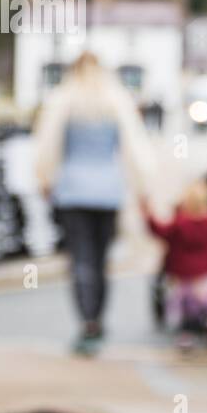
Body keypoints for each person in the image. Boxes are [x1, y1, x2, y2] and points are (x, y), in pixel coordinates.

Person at [33, 52, 152, 355]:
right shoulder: (117, 100)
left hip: (73, 189)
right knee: (101, 260)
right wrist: (142, 186)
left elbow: (47, 145)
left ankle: (87, 321)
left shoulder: (63, 99)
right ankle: (97, 317)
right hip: (108, 190)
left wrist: (45, 180)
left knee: (80, 259)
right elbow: (135, 147)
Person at [143, 180, 207, 350]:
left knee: (186, 314)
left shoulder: (179, 224)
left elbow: (157, 229)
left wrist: (146, 210)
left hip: (183, 281)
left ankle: (186, 335)